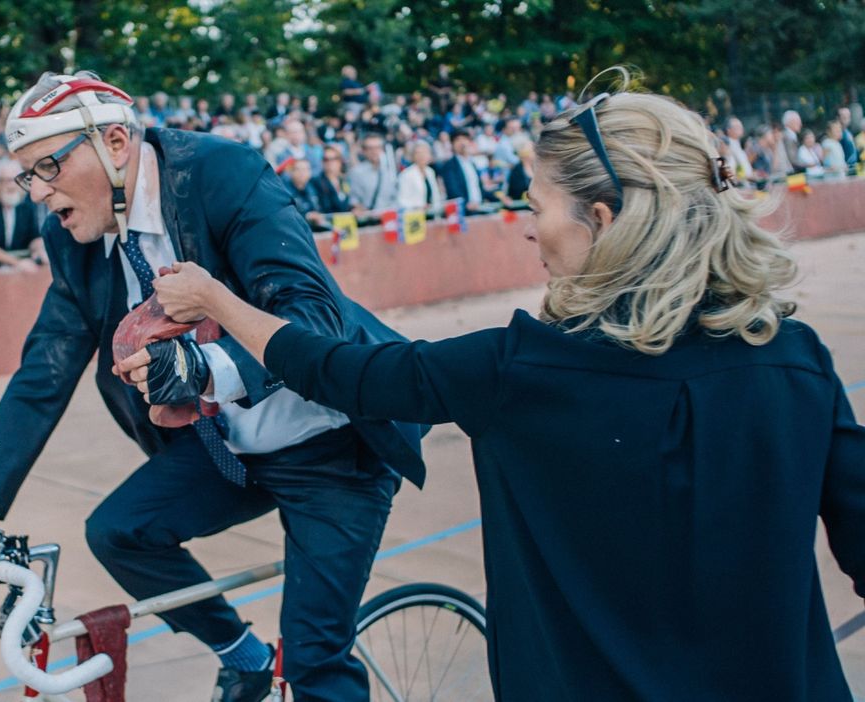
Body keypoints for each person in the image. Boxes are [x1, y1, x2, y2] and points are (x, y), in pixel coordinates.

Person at [150, 88, 865, 702]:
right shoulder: (795, 360)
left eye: (538, 205)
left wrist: (215, 297)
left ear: (605, 220)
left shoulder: (522, 371)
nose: (528, 226)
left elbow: (343, 371)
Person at [0, 71, 426, 702]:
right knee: (119, 532)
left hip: (331, 446)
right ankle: (245, 656)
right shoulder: (72, 235)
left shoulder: (221, 172)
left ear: (116, 142)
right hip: (229, 447)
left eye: (48, 165)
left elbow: (309, 314)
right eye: (27, 175)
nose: (40, 192)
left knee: (316, 654)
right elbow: (44, 370)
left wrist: (205, 369)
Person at [348, 133, 399, 211]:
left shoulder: (390, 171)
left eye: (377, 147)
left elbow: (395, 196)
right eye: (370, 148)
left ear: (382, 149)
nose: (374, 151)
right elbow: (354, 199)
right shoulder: (356, 172)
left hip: (388, 218)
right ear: (363, 151)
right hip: (368, 219)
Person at [396, 139, 443, 211]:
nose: (422, 156)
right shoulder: (406, 175)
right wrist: (418, 207)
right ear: (413, 156)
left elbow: (435, 196)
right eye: (418, 153)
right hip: (415, 216)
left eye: (425, 152)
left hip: (432, 214)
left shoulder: (430, 172)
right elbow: (401, 201)